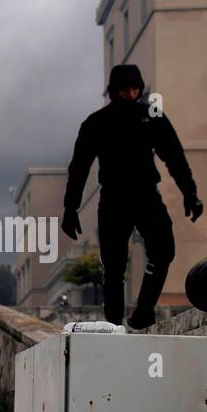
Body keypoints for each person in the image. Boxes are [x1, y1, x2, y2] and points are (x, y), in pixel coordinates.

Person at [61, 63, 203, 328]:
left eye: (134, 88)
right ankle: (114, 322)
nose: (130, 94)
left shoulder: (150, 117)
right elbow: (79, 169)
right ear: (114, 91)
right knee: (113, 268)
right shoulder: (96, 123)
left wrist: (189, 193)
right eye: (125, 89)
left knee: (163, 251)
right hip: (114, 200)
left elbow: (174, 157)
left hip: (145, 195)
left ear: (139, 89)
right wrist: (70, 209)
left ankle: (143, 311)